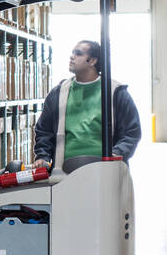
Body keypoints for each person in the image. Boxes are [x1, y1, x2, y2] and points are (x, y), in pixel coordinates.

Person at [33, 38, 141, 171]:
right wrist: (42, 156)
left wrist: (117, 153)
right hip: (64, 172)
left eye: (78, 53)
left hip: (105, 171)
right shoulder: (59, 93)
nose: (72, 56)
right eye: (72, 52)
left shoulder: (115, 92)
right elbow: (44, 130)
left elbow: (132, 132)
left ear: (92, 61)